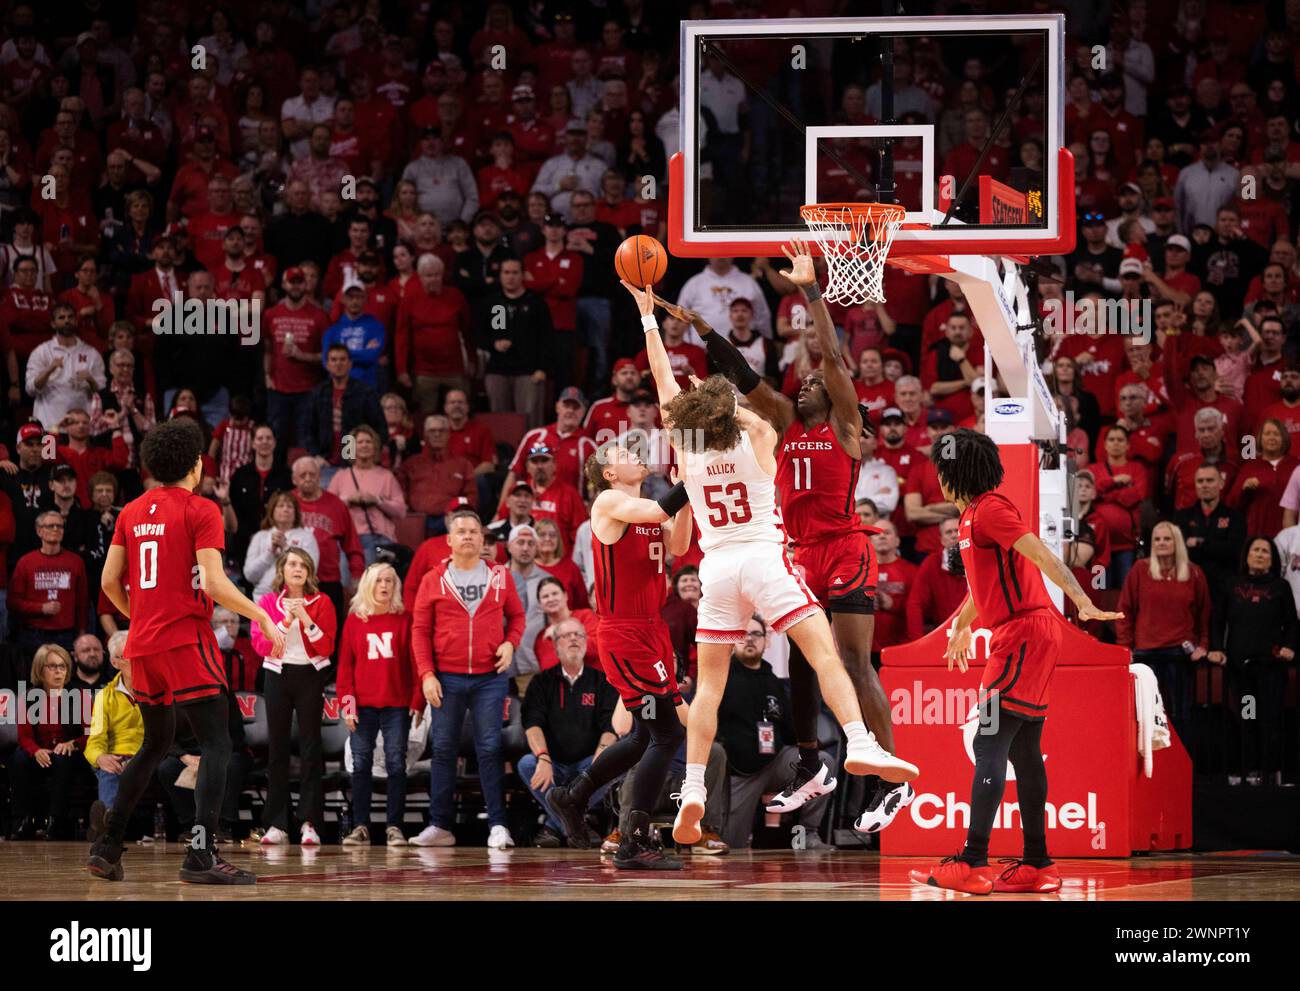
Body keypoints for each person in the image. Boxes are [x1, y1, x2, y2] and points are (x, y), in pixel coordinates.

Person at [655, 239, 917, 835]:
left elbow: (829, 355)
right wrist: (699, 327)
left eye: (812, 386)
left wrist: (808, 289)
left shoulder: (845, 426)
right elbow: (744, 377)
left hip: (845, 547)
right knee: (804, 658)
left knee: (850, 660)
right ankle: (809, 761)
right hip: (796, 555)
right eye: (800, 386)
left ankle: (887, 782)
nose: (803, 388)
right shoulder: (780, 418)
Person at [910, 428, 1121, 895]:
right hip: (1026, 637)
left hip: (1022, 637)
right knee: (1024, 751)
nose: (936, 478)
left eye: (940, 469)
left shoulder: (992, 510)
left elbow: (1042, 556)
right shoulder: (971, 517)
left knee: (988, 744)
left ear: (954, 472)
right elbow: (984, 588)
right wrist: (962, 624)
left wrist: (1081, 600)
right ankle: (1038, 865)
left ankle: (972, 862)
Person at [87, 418, 286, 885]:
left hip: (142, 645)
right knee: (217, 744)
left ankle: (108, 844)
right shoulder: (202, 509)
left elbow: (108, 583)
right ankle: (200, 854)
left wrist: (142, 615)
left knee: (154, 744)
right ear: (195, 465)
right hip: (184, 640)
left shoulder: (131, 510)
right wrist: (261, 615)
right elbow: (215, 583)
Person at [544, 438, 693, 867]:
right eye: (623, 455)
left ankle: (572, 796)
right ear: (609, 473)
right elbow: (659, 511)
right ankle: (634, 841)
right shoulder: (609, 502)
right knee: (668, 734)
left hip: (652, 631)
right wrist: (695, 478)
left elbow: (679, 545)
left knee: (644, 736)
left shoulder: (650, 508)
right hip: (625, 634)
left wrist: (685, 495)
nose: (635, 456)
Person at [410, 509, 524, 850]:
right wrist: (426, 674)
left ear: (482, 538)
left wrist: (510, 642)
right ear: (449, 540)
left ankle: (498, 825)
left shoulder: (500, 575)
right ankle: (440, 825)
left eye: (474, 531)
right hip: (446, 676)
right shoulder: (433, 578)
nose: (468, 536)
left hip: (490, 678)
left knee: (489, 749)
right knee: (443, 751)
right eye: (461, 531)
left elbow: (517, 616)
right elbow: (419, 631)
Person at [717, 615, 833, 850]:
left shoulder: (773, 680)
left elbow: (790, 726)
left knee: (822, 763)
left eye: (756, 634)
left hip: (776, 763)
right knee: (731, 844)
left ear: (767, 641)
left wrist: (812, 747)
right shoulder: (720, 677)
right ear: (732, 641)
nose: (750, 640)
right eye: (743, 634)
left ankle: (808, 834)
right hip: (740, 771)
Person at [250, 547, 337, 847]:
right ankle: (277, 824)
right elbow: (262, 646)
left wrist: (307, 619)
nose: (298, 568)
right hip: (277, 676)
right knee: (277, 750)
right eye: (292, 564)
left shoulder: (322, 601)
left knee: (312, 749)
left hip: (311, 677)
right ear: (282, 571)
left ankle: (309, 823)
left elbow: (326, 646)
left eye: (303, 564)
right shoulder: (266, 602)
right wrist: (287, 619)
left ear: (309, 571)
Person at [338, 562, 420, 847]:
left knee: (397, 764)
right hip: (362, 706)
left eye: (389, 581)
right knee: (360, 765)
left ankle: (394, 827)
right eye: (379, 581)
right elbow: (345, 669)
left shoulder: (404, 619)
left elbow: (413, 664)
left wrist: (417, 700)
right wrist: (347, 706)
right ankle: (360, 826)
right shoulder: (354, 621)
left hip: (396, 705)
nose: (384, 586)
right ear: (368, 585)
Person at [519, 616, 619, 847]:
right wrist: (542, 757)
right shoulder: (541, 682)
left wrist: (601, 755)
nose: (574, 638)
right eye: (567, 635)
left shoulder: (602, 681)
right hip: (552, 764)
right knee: (526, 763)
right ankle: (575, 825)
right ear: (555, 646)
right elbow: (532, 723)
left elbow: (610, 725)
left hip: (587, 763)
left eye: (579, 635)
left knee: (612, 765)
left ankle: (556, 827)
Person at [1210, 537, 1297, 786]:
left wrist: (1289, 647)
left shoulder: (1280, 587)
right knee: (1248, 718)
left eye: (1265, 551)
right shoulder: (1232, 585)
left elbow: (1291, 623)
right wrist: (1217, 649)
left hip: (1270, 669)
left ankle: (1274, 773)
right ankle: (1250, 770)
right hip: (1242, 671)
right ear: (1246, 555)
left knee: (1271, 719)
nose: (1259, 555)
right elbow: (1217, 621)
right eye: (1255, 550)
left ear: (1272, 559)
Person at [1116, 521, 1210, 739]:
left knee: (1180, 716)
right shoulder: (1140, 569)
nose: (1161, 543)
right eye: (1157, 539)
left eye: (1167, 539)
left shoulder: (1194, 573)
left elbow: (1204, 614)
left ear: (1176, 542)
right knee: (1146, 715)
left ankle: (1180, 769)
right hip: (1145, 654)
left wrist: (1203, 645)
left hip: (1180, 655)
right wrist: (1124, 647)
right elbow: (1125, 611)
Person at [8, 644, 90, 840]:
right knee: (17, 758)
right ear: (40, 669)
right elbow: (24, 736)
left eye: (62, 666)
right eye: (52, 666)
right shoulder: (28, 697)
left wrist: (73, 743)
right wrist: (36, 751)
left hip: (69, 754)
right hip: (40, 753)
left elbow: (90, 734)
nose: (58, 671)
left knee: (63, 757)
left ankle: (56, 821)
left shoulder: (80, 696)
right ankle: (23, 820)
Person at [84, 631, 142, 841]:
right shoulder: (104, 697)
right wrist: (101, 757)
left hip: (147, 755)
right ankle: (108, 819)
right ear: (115, 662)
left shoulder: (158, 690)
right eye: (129, 655)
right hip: (117, 756)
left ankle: (107, 826)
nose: (137, 659)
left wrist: (138, 760)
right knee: (108, 768)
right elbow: (95, 740)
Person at [9, 510, 87, 659]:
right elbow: (13, 603)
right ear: (39, 531)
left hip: (66, 635)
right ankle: (22, 684)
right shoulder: (25, 562)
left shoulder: (76, 562)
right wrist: (41, 608)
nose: (56, 529)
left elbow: (82, 602)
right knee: (23, 678)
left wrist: (82, 633)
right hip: (32, 634)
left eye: (60, 526)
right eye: (51, 526)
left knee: (62, 678)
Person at [327, 424, 408, 564]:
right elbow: (328, 510)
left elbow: (401, 511)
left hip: (379, 539)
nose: (364, 445)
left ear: (375, 447)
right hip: (348, 539)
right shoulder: (341, 476)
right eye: (360, 442)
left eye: (368, 442)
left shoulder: (386, 476)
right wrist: (348, 500)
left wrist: (377, 501)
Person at [243, 491, 321, 597]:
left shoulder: (307, 537)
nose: (285, 509)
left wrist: (285, 548)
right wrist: (270, 553)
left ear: (296, 512)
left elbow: (311, 571)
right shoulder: (260, 537)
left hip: (295, 600)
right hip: (262, 599)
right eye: (280, 506)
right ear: (272, 511)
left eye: (289, 506)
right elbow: (250, 575)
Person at [533, 576, 600, 671]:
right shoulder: (541, 638)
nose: (551, 599)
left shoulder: (586, 616)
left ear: (565, 596)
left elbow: (597, 648)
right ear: (540, 604)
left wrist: (559, 634)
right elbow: (548, 672)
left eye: (555, 593)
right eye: (545, 596)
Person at [533, 517, 588, 609]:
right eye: (542, 535)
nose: (547, 538)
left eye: (552, 535)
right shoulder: (527, 566)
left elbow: (582, 604)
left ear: (558, 539)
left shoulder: (571, 568)